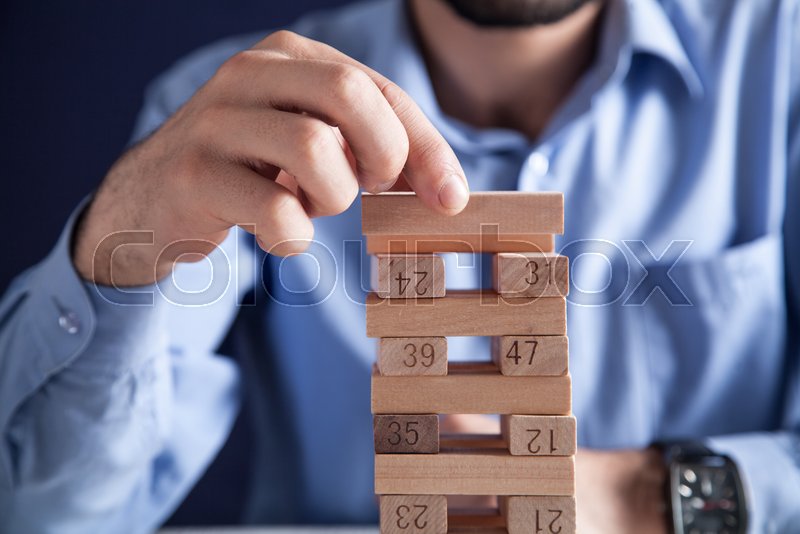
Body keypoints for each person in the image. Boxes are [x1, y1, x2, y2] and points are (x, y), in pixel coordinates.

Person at [0, 0, 798, 531]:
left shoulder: (782, 62)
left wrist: (643, 497)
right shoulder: (234, 110)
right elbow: (50, 516)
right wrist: (115, 245)